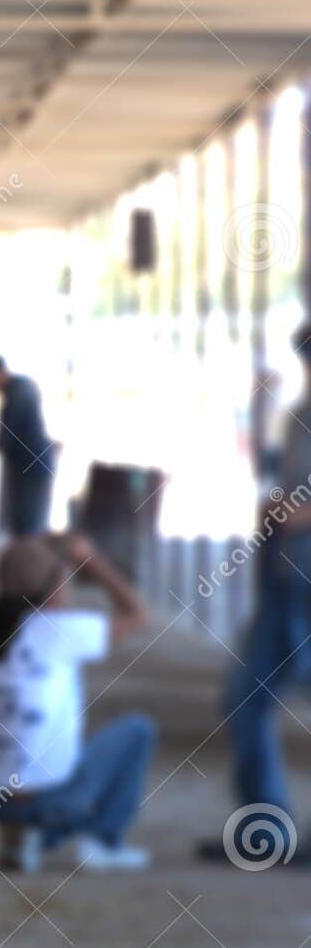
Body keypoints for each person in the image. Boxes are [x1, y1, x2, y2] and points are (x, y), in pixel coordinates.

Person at [0, 532, 154, 872]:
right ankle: (102, 842)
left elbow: (16, 573)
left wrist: (42, 550)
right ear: (56, 591)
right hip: (47, 800)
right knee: (137, 730)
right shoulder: (59, 632)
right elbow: (138, 613)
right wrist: (92, 561)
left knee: (47, 745)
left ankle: (24, 840)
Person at [200, 322, 311, 866]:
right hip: (288, 579)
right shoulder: (298, 417)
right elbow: (279, 480)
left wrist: (301, 514)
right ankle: (265, 829)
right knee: (245, 700)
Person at [0, 354, 57, 535]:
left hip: (32, 464)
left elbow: (11, 426)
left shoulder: (19, 390)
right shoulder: (20, 388)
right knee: (26, 521)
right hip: (30, 464)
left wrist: (0, 444)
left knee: (28, 524)